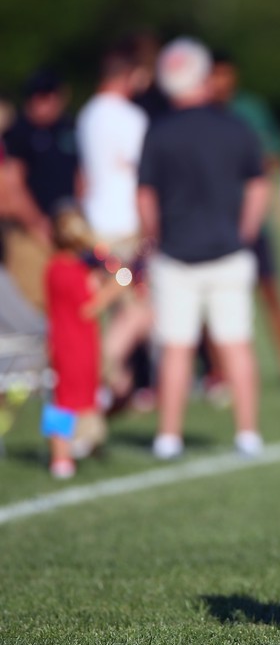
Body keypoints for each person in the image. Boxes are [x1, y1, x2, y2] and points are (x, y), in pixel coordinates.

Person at [137, 37, 270, 460]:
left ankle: (168, 436)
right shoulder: (235, 126)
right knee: (236, 343)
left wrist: (154, 236)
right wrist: (245, 232)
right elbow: (258, 183)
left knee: (175, 347)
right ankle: (248, 433)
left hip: (175, 254)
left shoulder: (158, 131)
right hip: (229, 251)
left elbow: (145, 196)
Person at [210, 51, 280, 386]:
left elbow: (271, 154)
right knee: (214, 300)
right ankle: (218, 373)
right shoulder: (200, 114)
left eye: (225, 74)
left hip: (251, 222)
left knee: (271, 293)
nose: (221, 82)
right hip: (213, 222)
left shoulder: (249, 110)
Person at [77, 38, 155, 409]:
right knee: (142, 312)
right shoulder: (131, 118)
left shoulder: (87, 115)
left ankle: (115, 384)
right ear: (127, 76)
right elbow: (145, 178)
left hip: (93, 227)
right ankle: (98, 375)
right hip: (124, 228)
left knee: (112, 312)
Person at [42, 202, 125, 478]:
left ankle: (70, 450)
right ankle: (61, 457)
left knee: (68, 399)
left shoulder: (54, 268)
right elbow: (92, 304)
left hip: (66, 345)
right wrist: (109, 281)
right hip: (78, 347)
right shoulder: (76, 272)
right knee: (66, 403)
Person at [2, 70, 80, 310]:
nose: (40, 104)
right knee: (33, 306)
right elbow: (10, 184)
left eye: (46, 96)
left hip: (67, 233)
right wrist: (37, 223)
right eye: (35, 97)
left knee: (69, 304)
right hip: (30, 232)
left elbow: (79, 176)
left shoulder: (68, 127)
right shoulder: (18, 133)